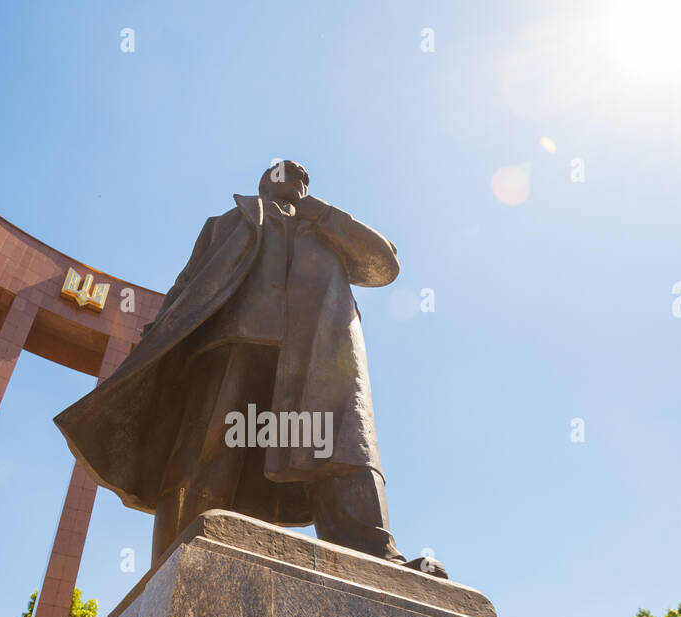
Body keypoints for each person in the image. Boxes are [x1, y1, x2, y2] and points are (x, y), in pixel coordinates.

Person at [56, 161, 444, 576]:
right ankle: (182, 559)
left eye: (301, 175)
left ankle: (373, 557)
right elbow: (187, 282)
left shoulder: (327, 228)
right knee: (208, 448)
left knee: (340, 445)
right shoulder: (226, 223)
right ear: (265, 182)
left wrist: (323, 213)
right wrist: (155, 336)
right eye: (284, 171)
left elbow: (384, 263)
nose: (295, 175)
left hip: (317, 346)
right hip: (232, 337)